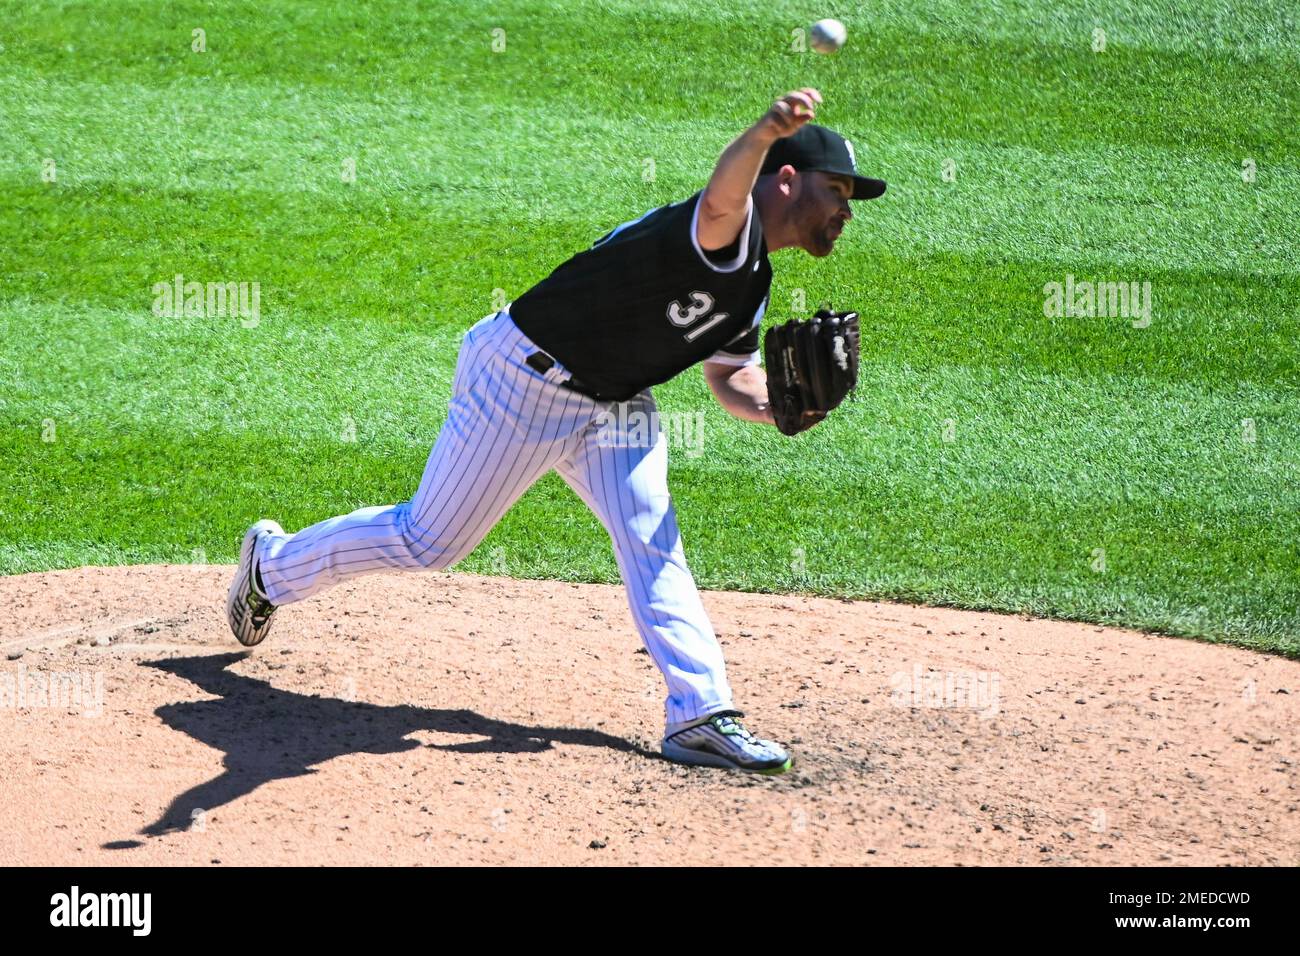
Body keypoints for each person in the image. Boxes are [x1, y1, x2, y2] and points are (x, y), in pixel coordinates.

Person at [228, 87, 886, 774]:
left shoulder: (752, 281)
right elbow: (724, 194)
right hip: (522, 384)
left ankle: (700, 713)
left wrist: (782, 408)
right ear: (786, 178)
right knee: (428, 542)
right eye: (837, 190)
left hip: (616, 404)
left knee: (652, 537)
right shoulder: (721, 230)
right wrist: (766, 129)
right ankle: (270, 568)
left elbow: (731, 378)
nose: (845, 211)